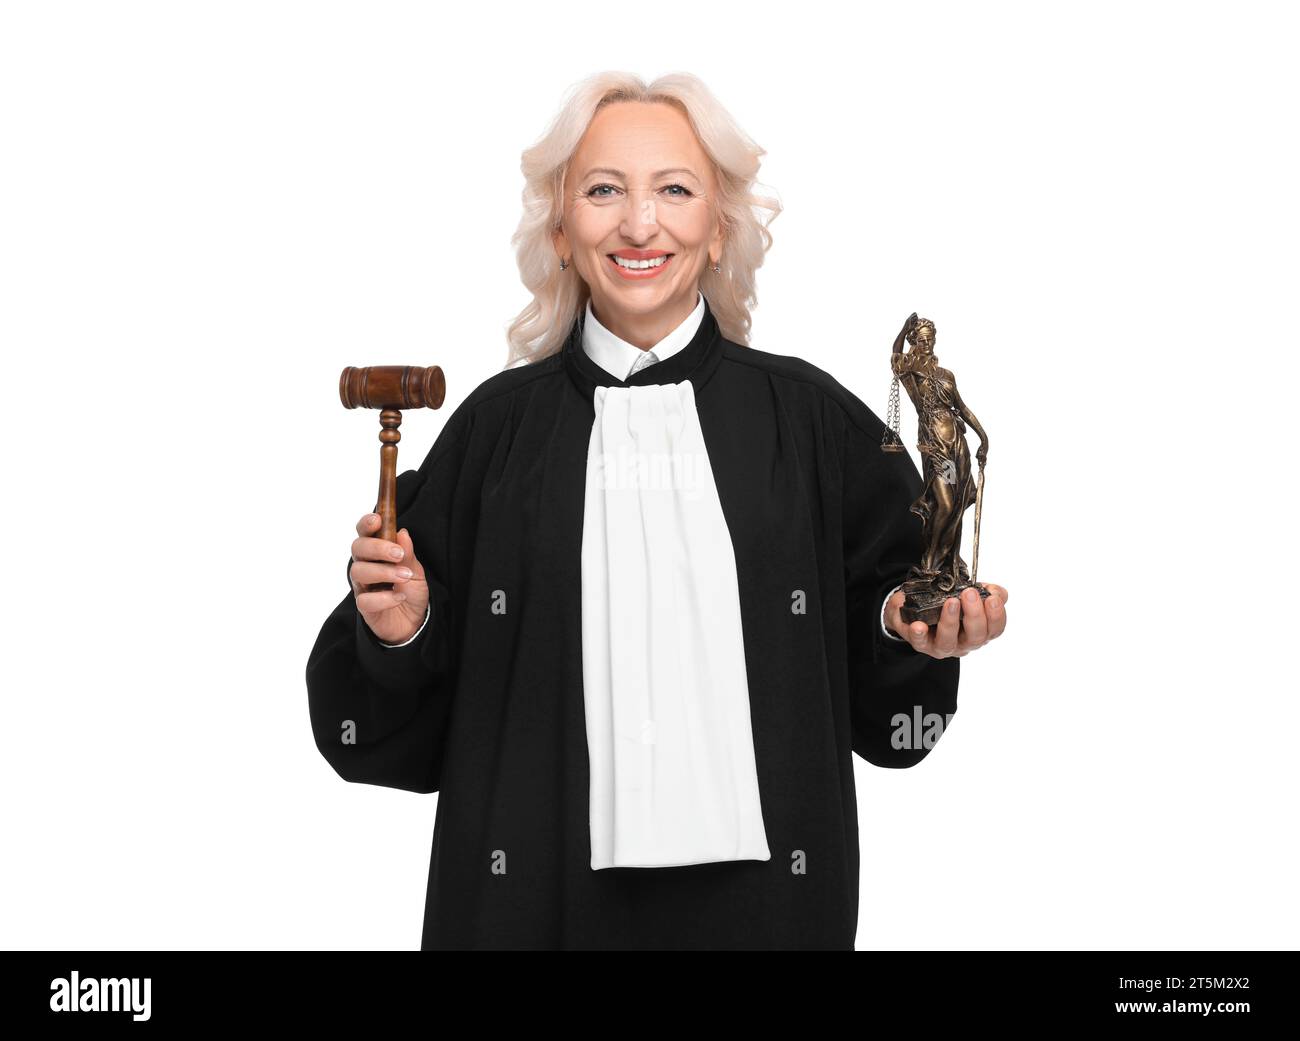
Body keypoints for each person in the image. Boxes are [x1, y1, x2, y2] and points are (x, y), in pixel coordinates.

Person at [306, 71, 1009, 950]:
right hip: (534, 911)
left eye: (674, 190)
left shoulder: (812, 421)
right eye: (604, 191)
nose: (640, 224)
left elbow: (892, 704)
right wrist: (404, 629)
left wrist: (909, 633)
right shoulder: (494, 432)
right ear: (561, 231)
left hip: (765, 917)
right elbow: (369, 730)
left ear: (719, 230)